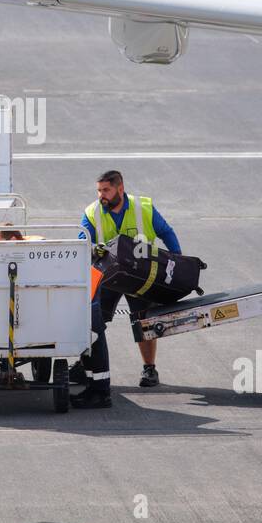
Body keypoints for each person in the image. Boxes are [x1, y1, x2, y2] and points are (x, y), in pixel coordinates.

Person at [73, 169, 182, 408]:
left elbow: (166, 232)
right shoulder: (92, 213)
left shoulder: (143, 208)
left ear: (120, 189)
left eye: (106, 190)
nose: (101, 195)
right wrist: (91, 251)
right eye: (99, 190)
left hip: (139, 276)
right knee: (93, 321)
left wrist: (177, 259)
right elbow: (82, 242)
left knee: (144, 323)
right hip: (108, 276)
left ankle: (149, 370)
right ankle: (84, 365)